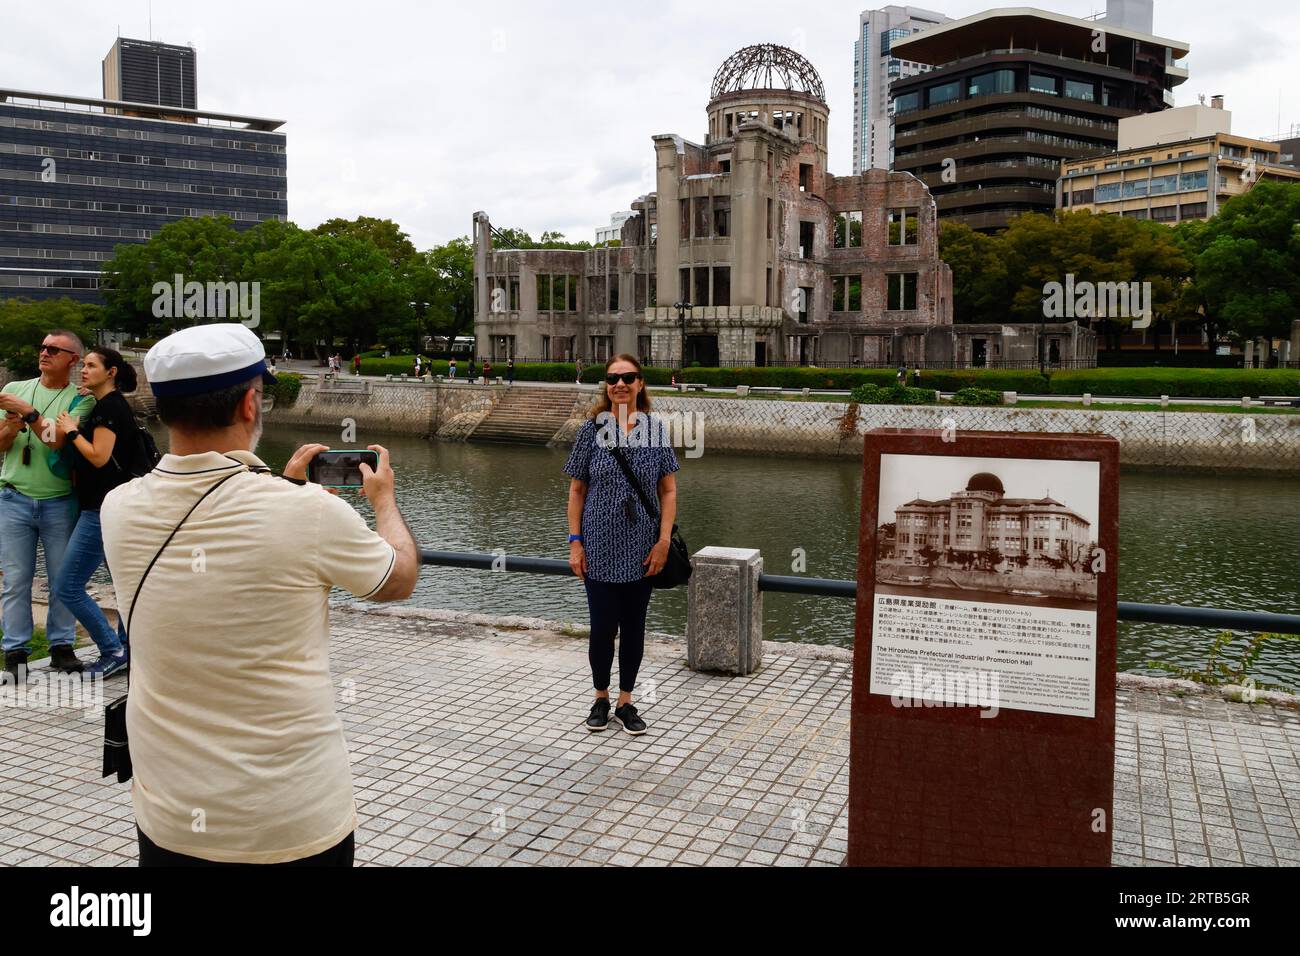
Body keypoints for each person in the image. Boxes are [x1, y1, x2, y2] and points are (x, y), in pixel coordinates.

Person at [100, 324, 419, 866]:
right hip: (288, 818)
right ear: (250, 402)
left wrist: (284, 485)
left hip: (171, 814)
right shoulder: (309, 512)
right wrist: (383, 502)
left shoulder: (119, 507)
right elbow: (397, 579)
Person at [564, 354, 679, 737]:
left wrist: (663, 541)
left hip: (643, 547)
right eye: (613, 378)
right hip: (597, 546)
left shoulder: (655, 430)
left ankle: (626, 701)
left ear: (641, 383)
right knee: (601, 628)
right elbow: (577, 490)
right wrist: (575, 542)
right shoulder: (591, 431)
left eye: (628, 377)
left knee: (634, 628)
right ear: (606, 384)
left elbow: (668, 490)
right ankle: (600, 696)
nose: (620, 384)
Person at [0, 330, 95, 682]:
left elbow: (55, 442)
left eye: (54, 349)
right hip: (13, 497)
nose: (44, 352)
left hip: (59, 501)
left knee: (62, 579)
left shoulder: (81, 400)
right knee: (15, 579)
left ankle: (61, 646)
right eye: (42, 347)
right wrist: (11, 429)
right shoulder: (15, 391)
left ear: (73, 359)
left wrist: (28, 413)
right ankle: (16, 652)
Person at [52, 347, 143, 678]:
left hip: (101, 510)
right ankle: (128, 649)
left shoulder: (109, 409)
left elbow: (99, 456)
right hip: (116, 507)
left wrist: (72, 430)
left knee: (67, 586)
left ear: (112, 372)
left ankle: (112, 650)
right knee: (121, 583)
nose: (84, 370)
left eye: (91, 366)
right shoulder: (111, 405)